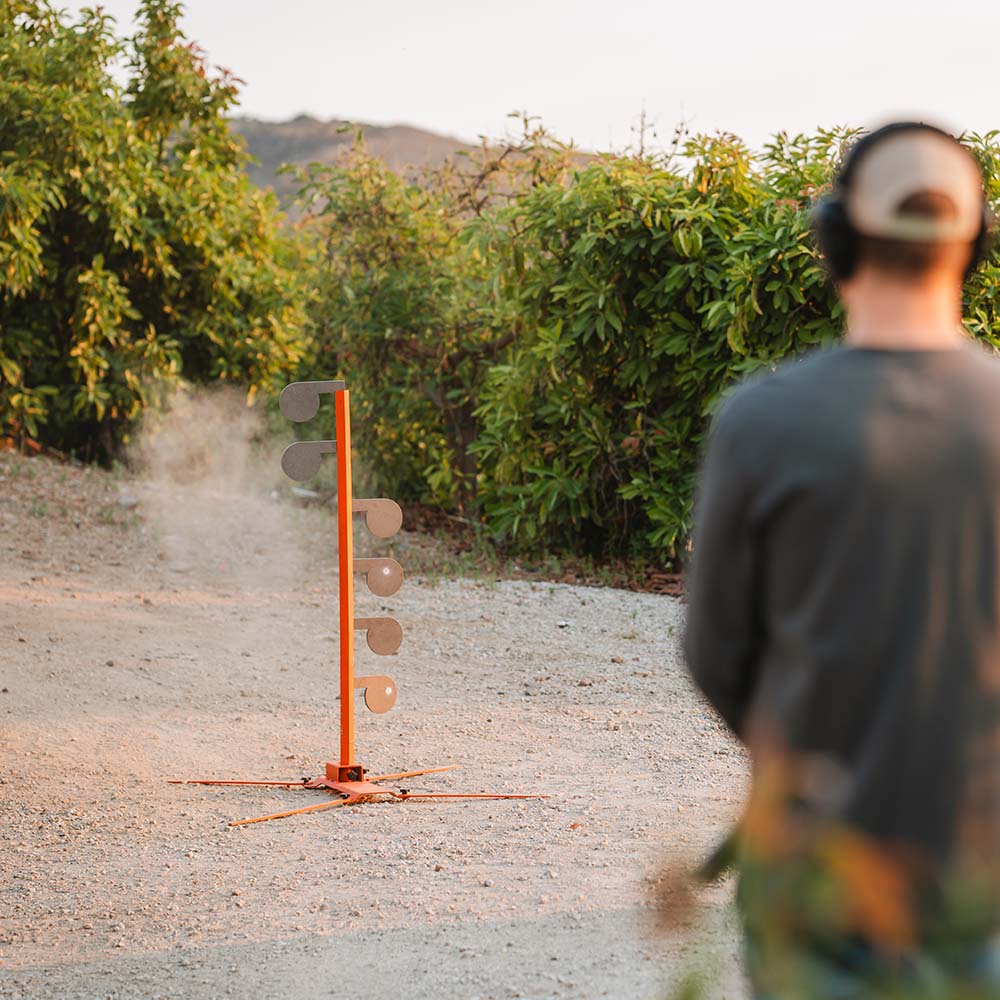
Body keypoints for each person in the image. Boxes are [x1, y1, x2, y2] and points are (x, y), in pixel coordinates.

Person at [684, 122, 1000, 998]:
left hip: (814, 878)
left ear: (834, 239)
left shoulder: (761, 422)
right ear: (975, 246)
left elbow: (714, 654)